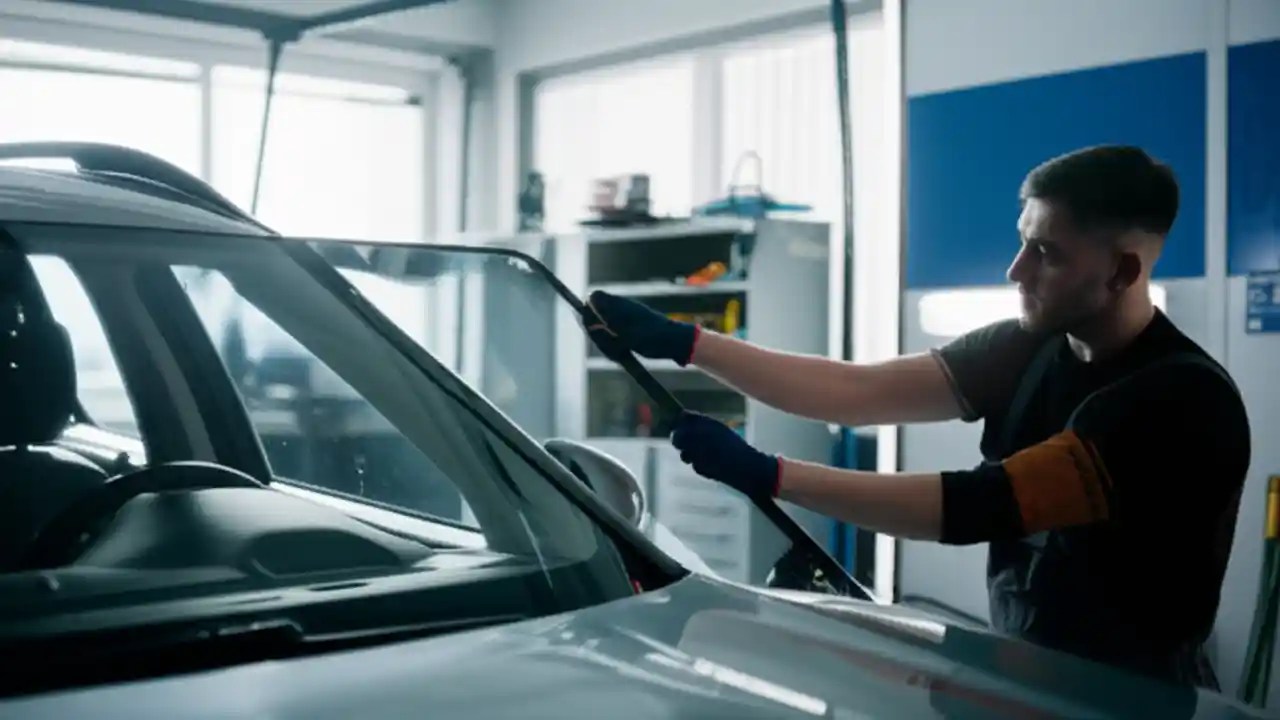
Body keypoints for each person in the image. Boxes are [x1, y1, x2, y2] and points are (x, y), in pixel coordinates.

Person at [586, 144, 1251, 690]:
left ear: (1122, 271)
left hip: (1133, 698)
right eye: (1023, 242)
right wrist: (687, 343)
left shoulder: (1177, 403)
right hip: (1029, 674)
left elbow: (975, 506)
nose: (1016, 269)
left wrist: (770, 475)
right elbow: (854, 392)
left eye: (1047, 253)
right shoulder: (1027, 345)